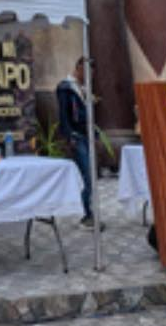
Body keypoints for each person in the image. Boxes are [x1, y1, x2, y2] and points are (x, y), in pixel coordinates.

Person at [57, 56, 100, 227]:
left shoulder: (83, 89)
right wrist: (69, 136)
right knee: (87, 175)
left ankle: (88, 211)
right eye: (88, 72)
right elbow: (63, 114)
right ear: (79, 69)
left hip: (86, 134)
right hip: (76, 136)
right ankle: (86, 214)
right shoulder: (65, 88)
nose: (90, 77)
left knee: (89, 175)